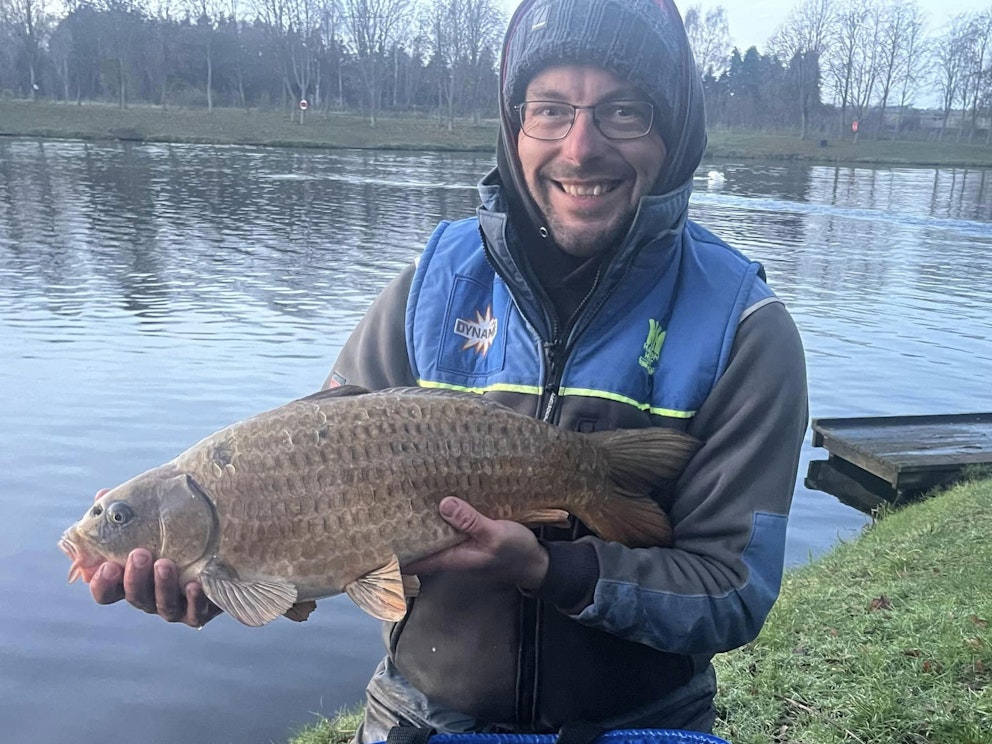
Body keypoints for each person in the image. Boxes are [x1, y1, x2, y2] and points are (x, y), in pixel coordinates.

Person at [90, 0, 808, 736]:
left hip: (642, 717)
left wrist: (551, 570)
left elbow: (731, 591)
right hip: (426, 716)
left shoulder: (744, 328)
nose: (581, 146)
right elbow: (305, 506)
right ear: (514, 123)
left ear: (676, 129)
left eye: (625, 111)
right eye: (550, 110)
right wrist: (220, 576)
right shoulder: (430, 287)